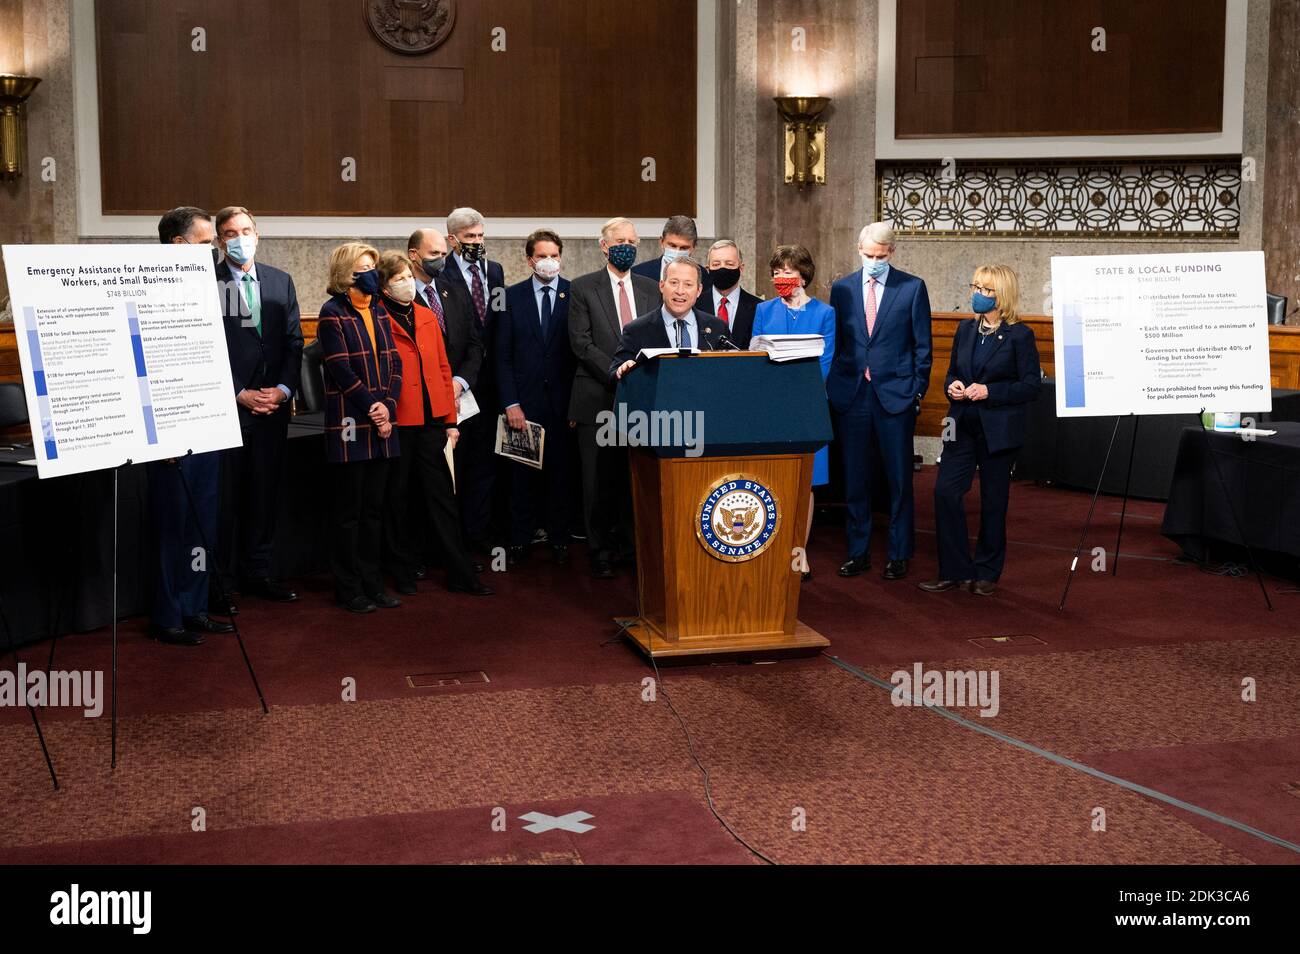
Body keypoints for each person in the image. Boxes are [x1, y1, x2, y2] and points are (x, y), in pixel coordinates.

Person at [376, 252, 493, 597]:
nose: (407, 283)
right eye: (398, 278)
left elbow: (443, 370)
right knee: (397, 500)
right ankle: (402, 569)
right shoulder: (378, 317)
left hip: (431, 423)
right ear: (384, 285)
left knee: (442, 498)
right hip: (398, 422)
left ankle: (460, 571)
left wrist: (449, 420)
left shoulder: (426, 316)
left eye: (408, 277)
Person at [920, 265, 1040, 596]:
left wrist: (990, 391)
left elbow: (1031, 386)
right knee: (945, 492)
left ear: (1001, 296)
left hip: (998, 428)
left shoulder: (1020, 336)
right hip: (959, 424)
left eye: (985, 290)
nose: (977, 294)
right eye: (975, 286)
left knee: (993, 501)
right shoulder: (965, 329)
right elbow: (951, 375)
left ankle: (987, 571)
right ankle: (954, 570)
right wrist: (953, 386)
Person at [828, 221, 932, 582]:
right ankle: (858, 553)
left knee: (899, 480)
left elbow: (923, 347)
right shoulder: (841, 290)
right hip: (853, 395)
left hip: (896, 397)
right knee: (855, 480)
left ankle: (899, 553)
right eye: (868, 255)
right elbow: (838, 341)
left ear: (892, 253)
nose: (874, 261)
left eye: (881, 256)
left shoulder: (912, 288)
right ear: (859, 249)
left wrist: (916, 390)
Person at [147, 207, 233, 646]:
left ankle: (195, 606)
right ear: (178, 246)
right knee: (171, 527)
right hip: (169, 432)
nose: (214, 252)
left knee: (203, 524)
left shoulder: (210, 289)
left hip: (208, 423)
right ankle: (167, 615)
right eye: (205, 244)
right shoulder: (146, 289)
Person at [213, 206, 302, 606]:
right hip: (230, 410)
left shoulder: (280, 280)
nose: (239, 237)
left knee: (265, 495)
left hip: (273, 408)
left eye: (246, 230)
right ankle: (223, 583)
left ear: (258, 234)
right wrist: (238, 393)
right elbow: (205, 347)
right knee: (228, 500)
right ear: (219, 240)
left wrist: (282, 390)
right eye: (230, 232)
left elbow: (294, 342)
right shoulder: (207, 283)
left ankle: (259, 572)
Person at [568, 216, 662, 579]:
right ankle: (599, 550)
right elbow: (581, 343)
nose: (628, 246)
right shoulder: (582, 288)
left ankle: (629, 545)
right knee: (595, 480)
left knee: (632, 476)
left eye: (633, 241)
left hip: (641, 397)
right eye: (620, 240)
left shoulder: (651, 288)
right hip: (597, 396)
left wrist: (637, 375)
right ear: (604, 246)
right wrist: (618, 370)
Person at [317, 243, 403, 614]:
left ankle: (373, 583)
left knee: (374, 511)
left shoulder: (380, 309)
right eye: (364, 267)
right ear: (346, 274)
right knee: (349, 514)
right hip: (351, 423)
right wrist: (373, 408)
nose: (373, 273)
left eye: (373, 266)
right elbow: (340, 370)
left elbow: (395, 362)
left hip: (383, 422)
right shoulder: (331, 313)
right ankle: (348, 588)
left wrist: (389, 407)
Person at [750, 245, 835, 579]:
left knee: (806, 482)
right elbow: (755, 353)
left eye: (787, 271)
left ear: (804, 274)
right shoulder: (764, 310)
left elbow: (824, 362)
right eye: (776, 272)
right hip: (769, 408)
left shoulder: (824, 314)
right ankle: (769, 547)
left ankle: (799, 551)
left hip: (807, 407)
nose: (780, 278)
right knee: (772, 478)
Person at [496, 230, 577, 567]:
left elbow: (577, 354)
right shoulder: (509, 297)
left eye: (554, 255)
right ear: (529, 259)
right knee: (522, 477)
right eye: (542, 256)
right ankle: (519, 541)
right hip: (523, 405)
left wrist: (575, 405)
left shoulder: (575, 294)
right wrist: (511, 403)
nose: (549, 261)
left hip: (563, 404)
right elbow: (501, 357)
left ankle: (559, 539)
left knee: (561, 475)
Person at [440, 208, 506, 551]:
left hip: (490, 383)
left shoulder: (494, 270)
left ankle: (478, 534)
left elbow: (498, 326)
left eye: (480, 236)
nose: (477, 243)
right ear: (453, 240)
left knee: (485, 462)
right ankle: (452, 542)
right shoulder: (442, 274)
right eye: (469, 238)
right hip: (456, 384)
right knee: (456, 464)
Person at [611, 257, 731, 378]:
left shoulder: (718, 328)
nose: (680, 291)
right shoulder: (636, 330)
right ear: (662, 286)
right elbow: (615, 373)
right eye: (674, 283)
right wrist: (622, 370)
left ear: (698, 290)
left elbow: (728, 374)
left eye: (688, 284)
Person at [632, 214, 713, 297]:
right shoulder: (639, 273)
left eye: (684, 248)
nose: (677, 251)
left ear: (694, 247)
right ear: (661, 242)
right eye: (672, 246)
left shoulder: (703, 276)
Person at [701, 240, 760, 348]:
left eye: (729, 264)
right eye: (716, 264)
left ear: (741, 269)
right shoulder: (695, 304)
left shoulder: (759, 307)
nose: (722, 268)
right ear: (708, 269)